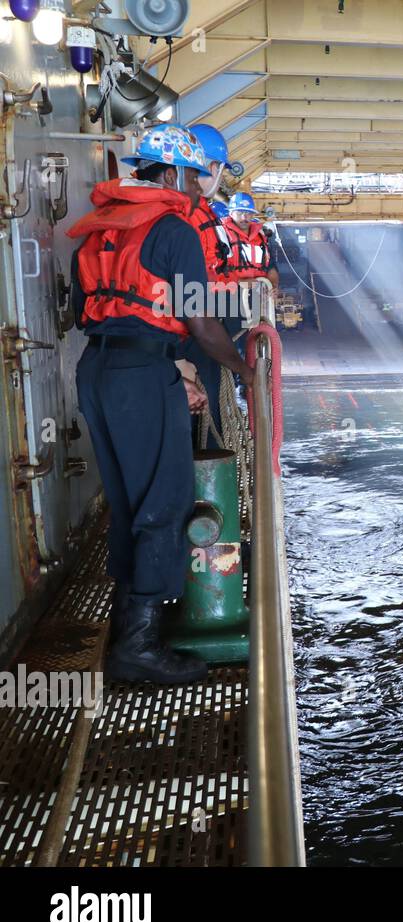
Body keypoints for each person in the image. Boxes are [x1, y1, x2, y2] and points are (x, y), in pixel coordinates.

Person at [66, 123, 253, 684]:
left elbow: (89, 314)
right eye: (193, 178)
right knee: (165, 504)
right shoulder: (174, 230)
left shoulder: (100, 232)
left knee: (131, 505)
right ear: (170, 174)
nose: (198, 190)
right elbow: (200, 321)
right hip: (141, 376)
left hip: (97, 369)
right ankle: (139, 646)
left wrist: (171, 363)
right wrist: (244, 370)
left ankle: (132, 627)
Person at [179, 123, 241, 448]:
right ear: (214, 167)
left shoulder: (201, 212)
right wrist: (178, 361)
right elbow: (181, 295)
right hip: (196, 346)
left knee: (211, 424)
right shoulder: (186, 217)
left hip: (209, 341)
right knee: (206, 437)